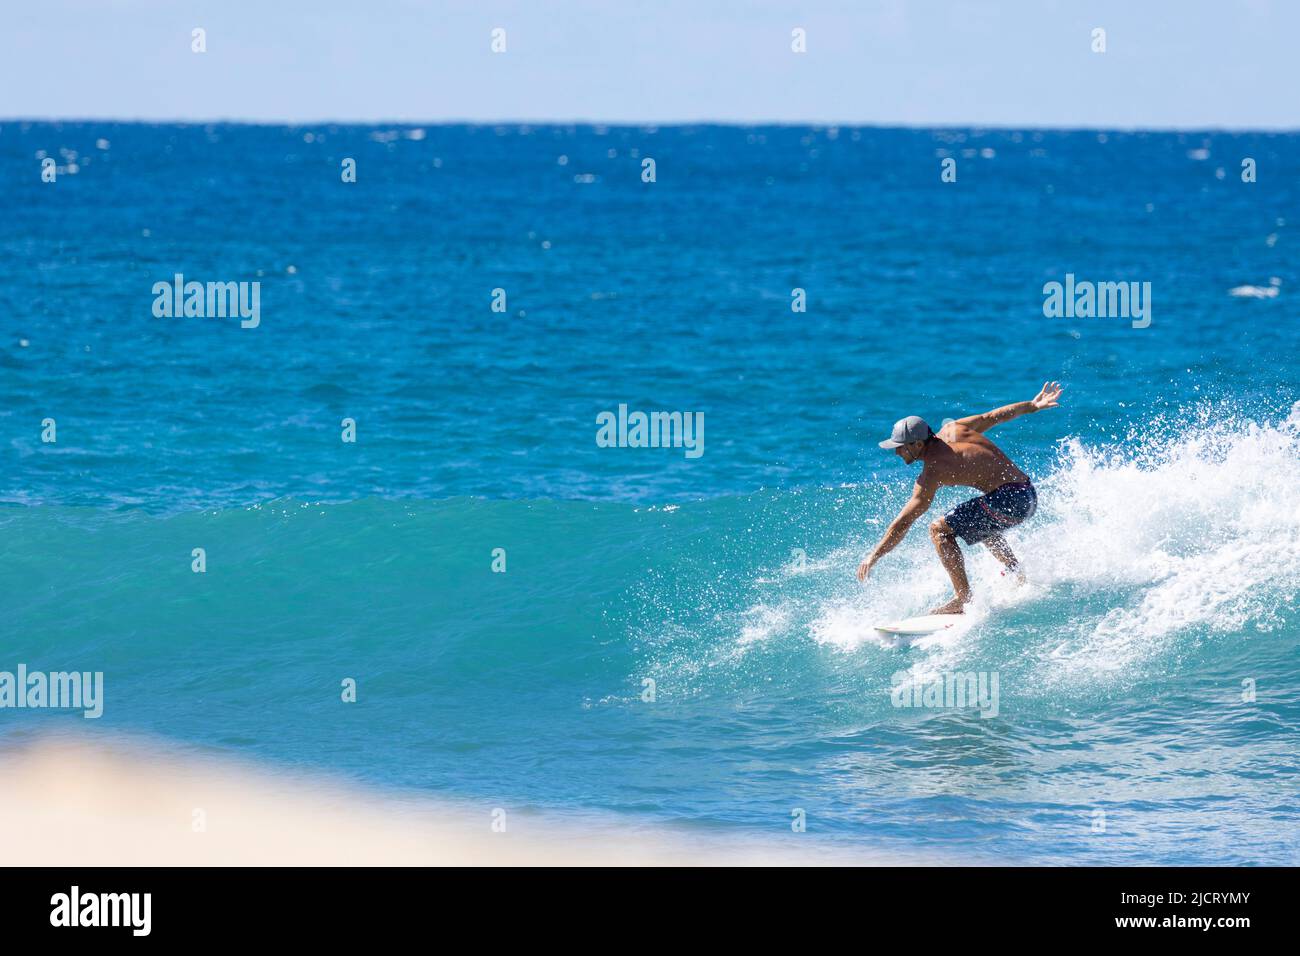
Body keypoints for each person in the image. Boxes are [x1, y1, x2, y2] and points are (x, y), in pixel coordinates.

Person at [856, 382, 1064, 614]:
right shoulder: (954, 428)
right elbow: (992, 416)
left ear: (916, 444)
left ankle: (963, 598)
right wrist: (1032, 406)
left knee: (939, 530)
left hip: (1010, 501)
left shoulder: (932, 472)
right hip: (1027, 494)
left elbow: (904, 522)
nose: (896, 452)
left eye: (900, 447)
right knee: (979, 521)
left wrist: (873, 556)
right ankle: (1016, 571)